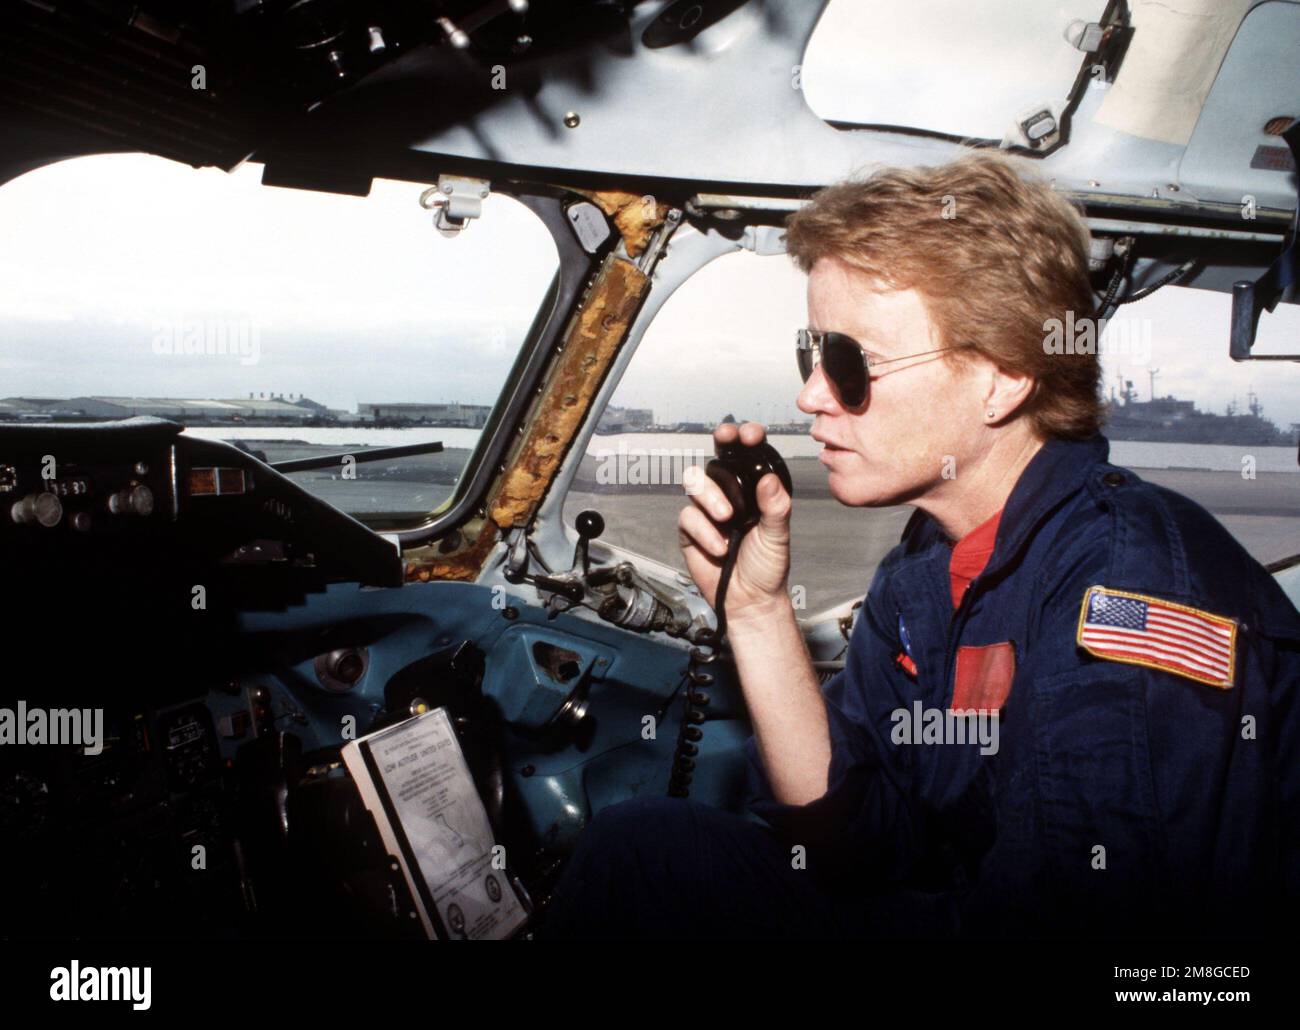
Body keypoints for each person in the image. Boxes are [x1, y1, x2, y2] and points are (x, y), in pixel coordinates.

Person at [543, 152, 1300, 938]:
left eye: (849, 364)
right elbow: (857, 842)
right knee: (645, 850)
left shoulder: (1123, 594)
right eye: (814, 355)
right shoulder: (927, 569)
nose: (810, 396)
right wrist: (757, 612)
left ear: (1001, 379)